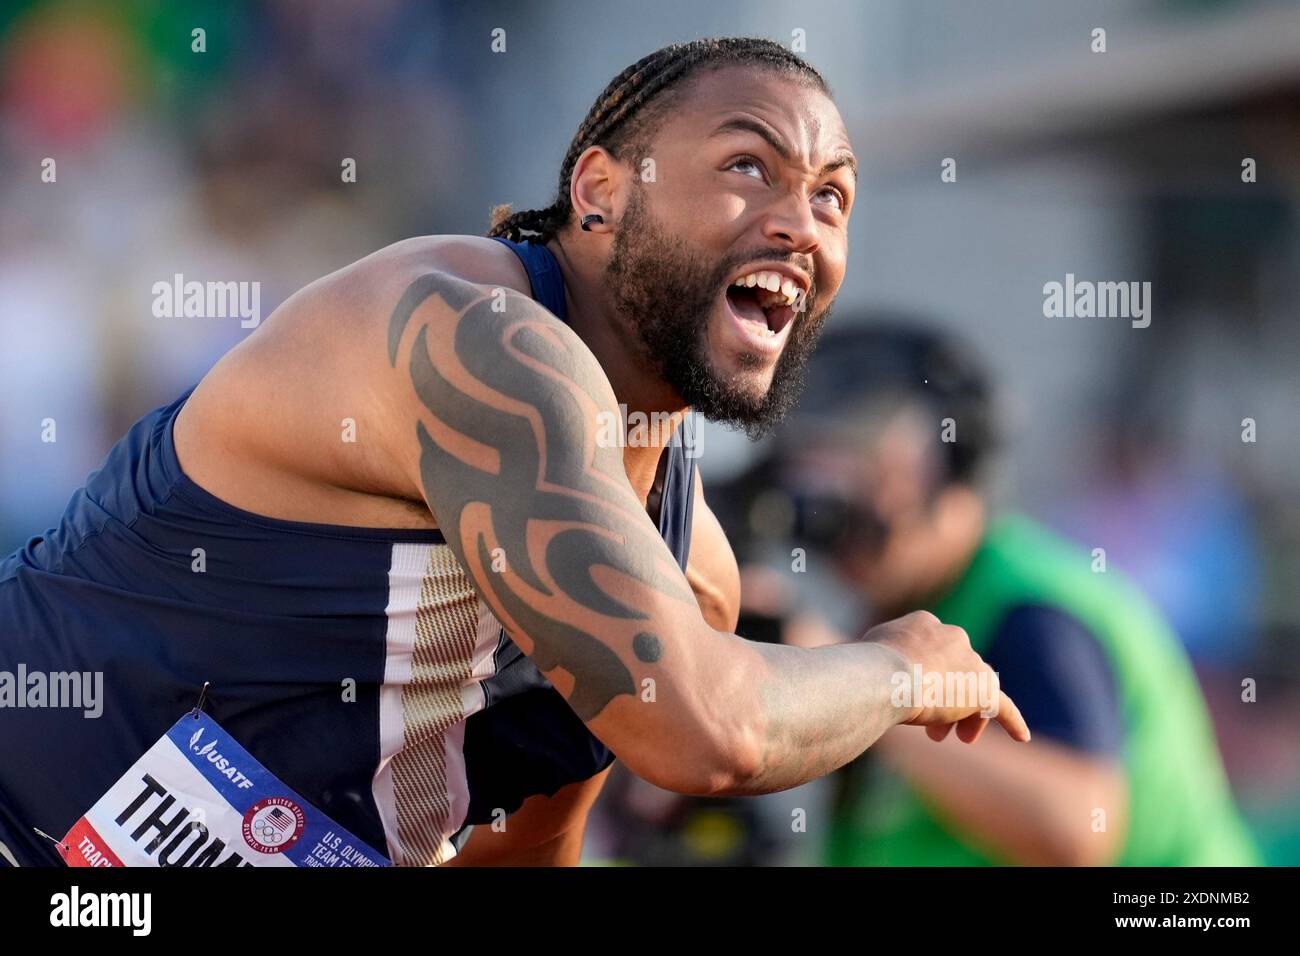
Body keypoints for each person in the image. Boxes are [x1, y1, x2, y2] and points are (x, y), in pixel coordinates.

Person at [0, 38, 1026, 869]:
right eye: (747, 166)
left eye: (832, 198)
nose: (798, 224)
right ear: (600, 192)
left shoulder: (680, 574)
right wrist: (899, 668)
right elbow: (711, 729)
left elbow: (529, 838)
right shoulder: (472, 339)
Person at [765, 322, 1258, 865]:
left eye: (866, 458)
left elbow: (1073, 827)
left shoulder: (1030, 609)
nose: (831, 491)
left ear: (959, 461)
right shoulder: (896, 615)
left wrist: (862, 692)